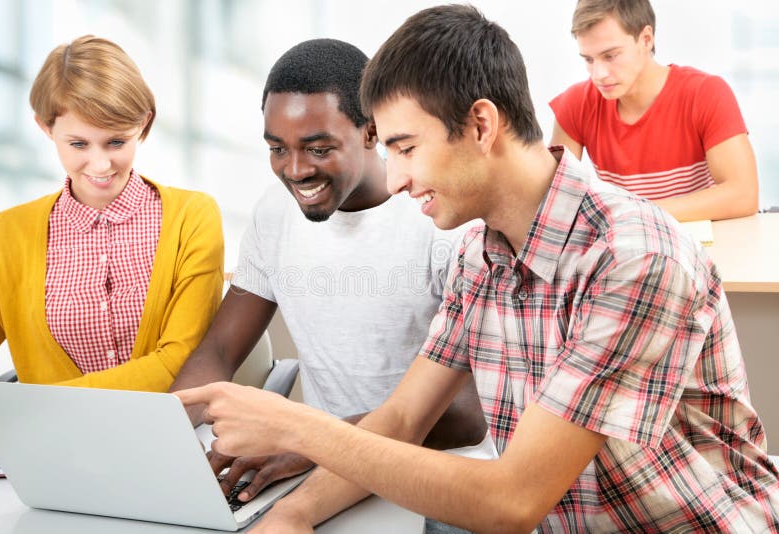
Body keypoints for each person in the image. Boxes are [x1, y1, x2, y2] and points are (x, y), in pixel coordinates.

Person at [177, 5, 779, 532]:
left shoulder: (634, 258)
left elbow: (512, 502)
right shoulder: (480, 254)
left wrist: (298, 429)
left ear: (482, 126)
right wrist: (296, 513)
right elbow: (402, 419)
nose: (396, 179)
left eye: (407, 148)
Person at [168, 38, 489, 504]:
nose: (295, 170)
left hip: (432, 478)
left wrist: (308, 443)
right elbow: (219, 351)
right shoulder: (274, 213)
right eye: (277, 148)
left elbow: (467, 417)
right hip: (317, 474)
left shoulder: (441, 222)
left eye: (318, 149)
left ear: (371, 131)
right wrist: (160, 437)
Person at [0, 35, 224, 391]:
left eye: (116, 142)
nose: (100, 164)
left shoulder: (192, 218)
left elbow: (181, 361)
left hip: (158, 423)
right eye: (78, 144)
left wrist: (46, 403)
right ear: (46, 128)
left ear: (143, 123)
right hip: (47, 428)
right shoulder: (9, 233)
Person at [550, 0, 759, 222]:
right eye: (589, 59)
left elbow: (743, 195)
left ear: (646, 39)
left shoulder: (705, 93)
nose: (599, 74)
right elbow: (553, 201)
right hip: (625, 241)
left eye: (610, 56)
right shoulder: (576, 104)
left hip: (698, 240)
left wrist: (634, 212)